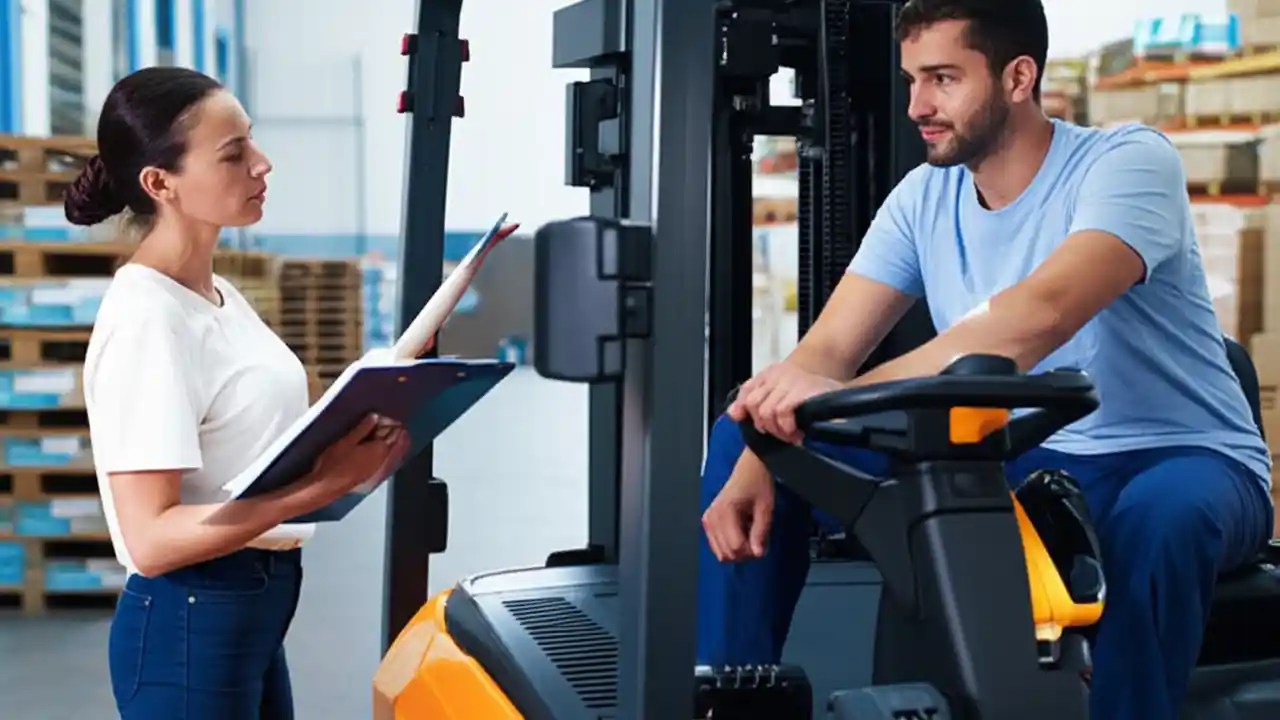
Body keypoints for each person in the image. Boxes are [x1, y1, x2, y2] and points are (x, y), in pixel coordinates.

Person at [696, 1, 1274, 719]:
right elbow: (829, 349)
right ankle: (727, 700)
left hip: (1182, 459)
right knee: (740, 434)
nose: (917, 105)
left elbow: (1036, 318)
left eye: (942, 79)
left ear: (1017, 77)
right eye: (911, 80)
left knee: (1160, 521)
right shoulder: (923, 197)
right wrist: (769, 438)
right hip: (1024, 457)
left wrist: (814, 406)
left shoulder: (1127, 162)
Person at [66, 66, 411, 719]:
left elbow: (259, 442)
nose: (262, 164)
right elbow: (152, 540)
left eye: (251, 142)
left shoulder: (219, 296)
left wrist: (387, 403)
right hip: (190, 621)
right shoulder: (149, 319)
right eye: (234, 154)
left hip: (252, 608)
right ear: (160, 183)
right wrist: (322, 486)